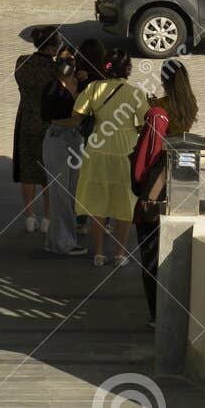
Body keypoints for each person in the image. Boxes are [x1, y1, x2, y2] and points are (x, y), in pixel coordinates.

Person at [131, 60, 198, 323]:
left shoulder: (160, 110)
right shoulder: (189, 103)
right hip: (180, 179)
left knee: (149, 254)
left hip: (155, 183)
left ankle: (155, 313)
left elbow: (151, 148)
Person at [71, 49, 145, 268]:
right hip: (125, 151)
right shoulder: (134, 93)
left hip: (97, 148)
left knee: (97, 201)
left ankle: (99, 253)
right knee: (124, 202)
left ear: (105, 67)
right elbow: (143, 123)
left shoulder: (93, 88)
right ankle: (120, 253)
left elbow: (77, 115)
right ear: (128, 69)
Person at [39, 44, 89, 257]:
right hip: (58, 140)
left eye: (70, 60)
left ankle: (55, 240)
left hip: (76, 140)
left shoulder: (80, 83)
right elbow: (48, 116)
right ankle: (64, 243)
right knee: (61, 193)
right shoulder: (52, 88)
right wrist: (75, 120)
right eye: (62, 60)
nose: (66, 64)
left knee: (70, 193)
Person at [13, 26, 58, 233]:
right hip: (48, 122)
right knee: (47, 171)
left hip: (27, 120)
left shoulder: (22, 62)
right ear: (52, 46)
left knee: (28, 169)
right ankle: (49, 217)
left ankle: (30, 216)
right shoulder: (56, 69)